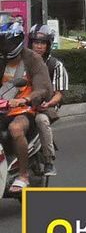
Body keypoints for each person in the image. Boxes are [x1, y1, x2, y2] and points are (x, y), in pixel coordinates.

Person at [0, 18, 52, 192]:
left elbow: (44, 88)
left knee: (15, 129)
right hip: (2, 108)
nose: (4, 46)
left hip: (23, 109)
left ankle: (23, 175)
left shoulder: (33, 59)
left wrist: (25, 99)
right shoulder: (1, 59)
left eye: (7, 42)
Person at [29, 24, 68, 176]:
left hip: (47, 105)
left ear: (48, 45)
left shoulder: (55, 65)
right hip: (23, 104)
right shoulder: (22, 63)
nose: (39, 46)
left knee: (41, 121)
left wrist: (49, 103)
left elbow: (59, 94)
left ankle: (48, 161)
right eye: (36, 42)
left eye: (42, 43)